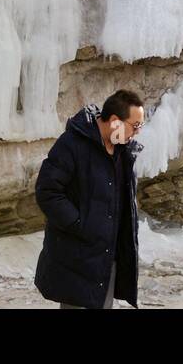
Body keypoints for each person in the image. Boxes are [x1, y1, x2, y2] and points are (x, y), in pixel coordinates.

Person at [34, 89, 146, 309]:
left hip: (107, 254)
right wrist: (78, 223)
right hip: (76, 255)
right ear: (115, 121)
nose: (137, 133)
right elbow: (47, 190)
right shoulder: (72, 144)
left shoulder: (123, 151)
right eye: (135, 126)